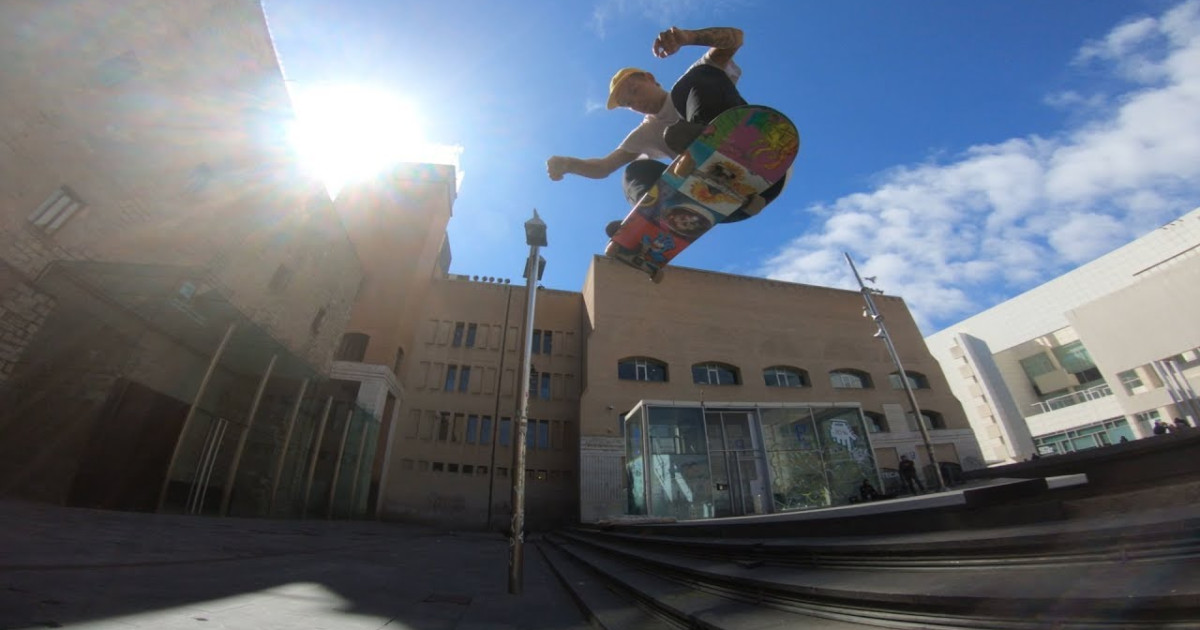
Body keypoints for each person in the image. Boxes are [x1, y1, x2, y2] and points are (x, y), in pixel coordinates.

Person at [546, 26, 786, 236]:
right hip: (730, 205)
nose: (635, 103)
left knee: (696, 79)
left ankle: (711, 140)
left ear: (651, 78)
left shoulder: (690, 88)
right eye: (628, 104)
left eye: (635, 91)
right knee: (634, 171)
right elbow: (603, 167)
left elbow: (736, 38)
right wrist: (568, 163)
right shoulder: (646, 132)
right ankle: (653, 219)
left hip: (766, 163)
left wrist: (688, 37)